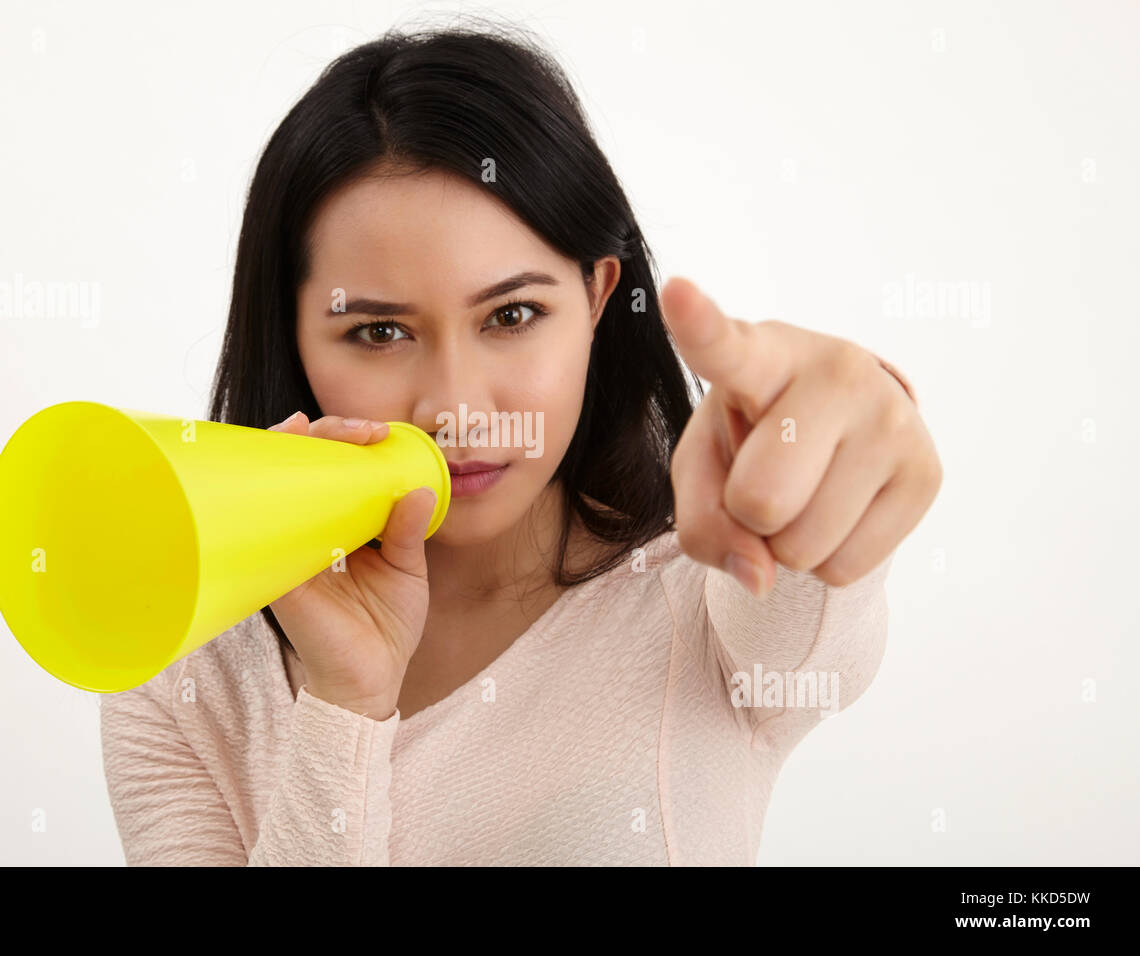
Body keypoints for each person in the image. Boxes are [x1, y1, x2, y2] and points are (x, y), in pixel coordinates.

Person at [100, 21, 941, 866]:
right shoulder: (185, 675)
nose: (457, 408)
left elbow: (817, 563)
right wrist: (344, 706)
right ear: (292, 338)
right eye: (380, 331)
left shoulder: (706, 597)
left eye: (512, 316)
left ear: (598, 298)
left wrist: (849, 423)